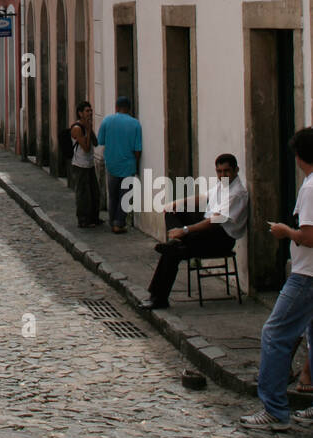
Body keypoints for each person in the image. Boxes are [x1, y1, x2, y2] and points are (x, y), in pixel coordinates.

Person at [240, 128, 313, 430]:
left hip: (306, 276)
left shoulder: (310, 188)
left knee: (274, 334)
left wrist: (285, 232)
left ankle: (274, 409)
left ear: (298, 157)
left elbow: (309, 237)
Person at [141, 153, 249, 310]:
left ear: (236, 170)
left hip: (221, 238)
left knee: (172, 253)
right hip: (206, 231)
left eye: (226, 171)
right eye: (219, 171)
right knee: (173, 212)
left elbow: (215, 221)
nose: (222, 175)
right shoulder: (222, 185)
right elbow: (205, 197)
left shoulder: (237, 193)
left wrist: (184, 230)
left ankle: (158, 298)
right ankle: (176, 243)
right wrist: (178, 202)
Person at [96, 97, 142, 234]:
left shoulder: (107, 121)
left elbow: (101, 141)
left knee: (113, 195)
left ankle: (112, 221)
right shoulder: (135, 124)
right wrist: (136, 164)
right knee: (125, 196)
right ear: (129, 109)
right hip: (128, 165)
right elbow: (138, 149)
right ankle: (119, 223)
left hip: (111, 164)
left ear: (116, 108)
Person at [70, 100, 101, 228]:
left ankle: (94, 218)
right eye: (87, 111)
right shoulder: (77, 128)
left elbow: (95, 142)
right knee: (83, 194)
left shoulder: (87, 126)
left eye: (91, 110)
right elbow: (86, 147)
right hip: (80, 165)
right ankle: (83, 220)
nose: (90, 113)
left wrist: (90, 129)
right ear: (80, 113)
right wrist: (87, 130)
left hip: (89, 164)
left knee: (94, 192)